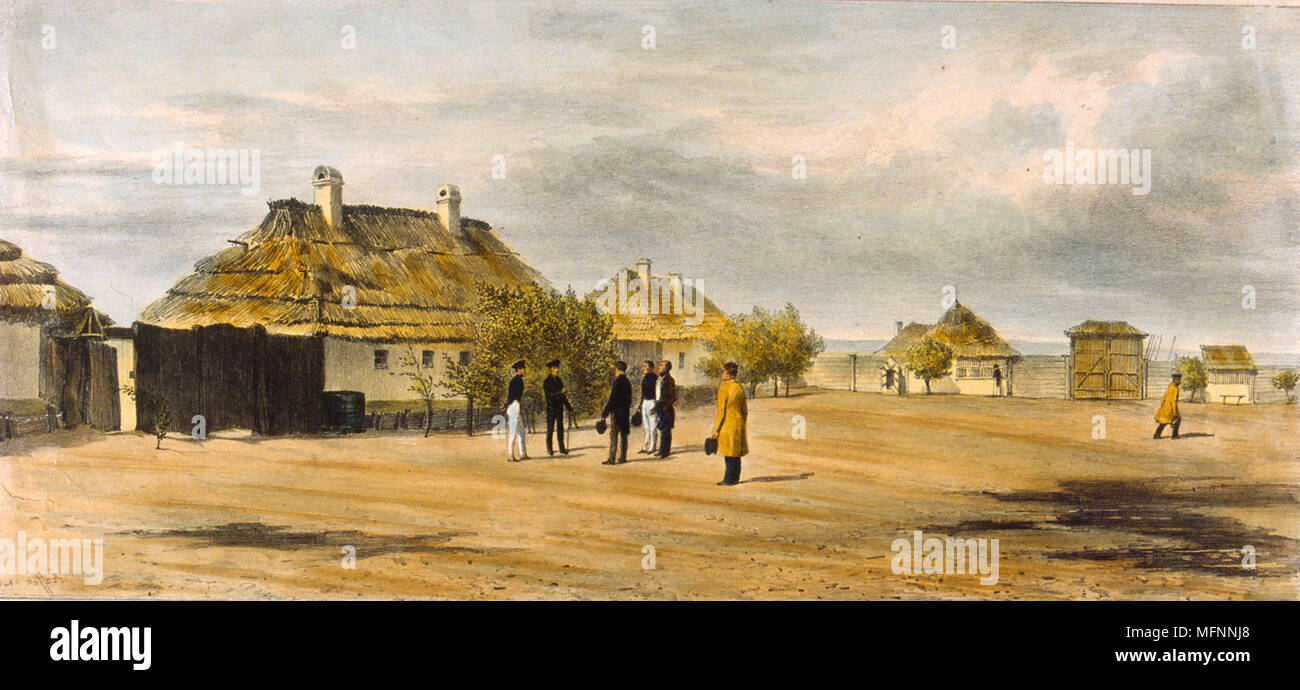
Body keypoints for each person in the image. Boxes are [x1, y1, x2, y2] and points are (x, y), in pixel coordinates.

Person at [711, 361, 749, 486]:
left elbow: (721, 411)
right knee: (736, 452)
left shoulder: (724, 388)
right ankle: (735, 478)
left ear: (727, 373)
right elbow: (744, 409)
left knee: (728, 452)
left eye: (723, 372)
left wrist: (716, 430)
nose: (722, 374)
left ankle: (728, 479)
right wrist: (742, 421)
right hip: (738, 422)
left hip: (727, 423)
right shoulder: (739, 387)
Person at [601, 361, 632, 465]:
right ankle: (623, 457)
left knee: (614, 435)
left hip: (617, 413)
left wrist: (605, 412)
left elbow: (612, 399)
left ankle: (612, 458)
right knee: (624, 435)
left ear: (617, 370)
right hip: (625, 412)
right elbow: (629, 399)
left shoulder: (617, 382)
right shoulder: (627, 382)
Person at [543, 359, 569, 456]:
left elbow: (563, 397)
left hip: (559, 408)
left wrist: (569, 408)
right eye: (555, 368)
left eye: (557, 368)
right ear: (550, 369)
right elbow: (549, 395)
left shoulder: (559, 380)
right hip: (551, 409)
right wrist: (560, 392)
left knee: (560, 428)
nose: (557, 370)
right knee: (550, 429)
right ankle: (549, 449)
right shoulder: (546, 382)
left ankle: (562, 448)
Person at [504, 360, 529, 461]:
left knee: (521, 432)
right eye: (523, 369)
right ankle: (511, 455)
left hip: (515, 406)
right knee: (514, 432)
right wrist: (506, 405)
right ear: (519, 370)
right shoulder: (515, 381)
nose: (525, 371)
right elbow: (511, 396)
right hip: (513, 406)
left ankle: (523, 454)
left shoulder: (518, 380)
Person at [654, 360, 677, 458]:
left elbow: (673, 397)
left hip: (666, 408)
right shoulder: (660, 378)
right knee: (661, 428)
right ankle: (661, 450)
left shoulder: (669, 380)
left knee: (666, 430)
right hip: (659, 405)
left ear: (666, 368)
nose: (658, 367)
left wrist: (665, 407)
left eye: (661, 366)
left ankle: (665, 452)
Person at [638, 360, 659, 454]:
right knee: (646, 427)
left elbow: (658, 394)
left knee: (653, 427)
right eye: (643, 366)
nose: (643, 368)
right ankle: (645, 446)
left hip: (652, 402)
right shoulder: (645, 378)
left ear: (650, 368)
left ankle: (652, 447)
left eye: (645, 366)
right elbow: (643, 393)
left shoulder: (656, 378)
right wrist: (640, 405)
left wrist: (655, 406)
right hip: (645, 403)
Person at [1154, 372, 1182, 439]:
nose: (1179, 381)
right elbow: (1173, 401)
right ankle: (1174, 435)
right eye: (1178, 380)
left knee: (1164, 421)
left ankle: (1157, 435)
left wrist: (1162, 406)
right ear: (1176, 380)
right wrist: (1175, 411)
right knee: (1177, 419)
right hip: (1170, 408)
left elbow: (1164, 397)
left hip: (1165, 407)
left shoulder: (1170, 386)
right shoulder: (1175, 388)